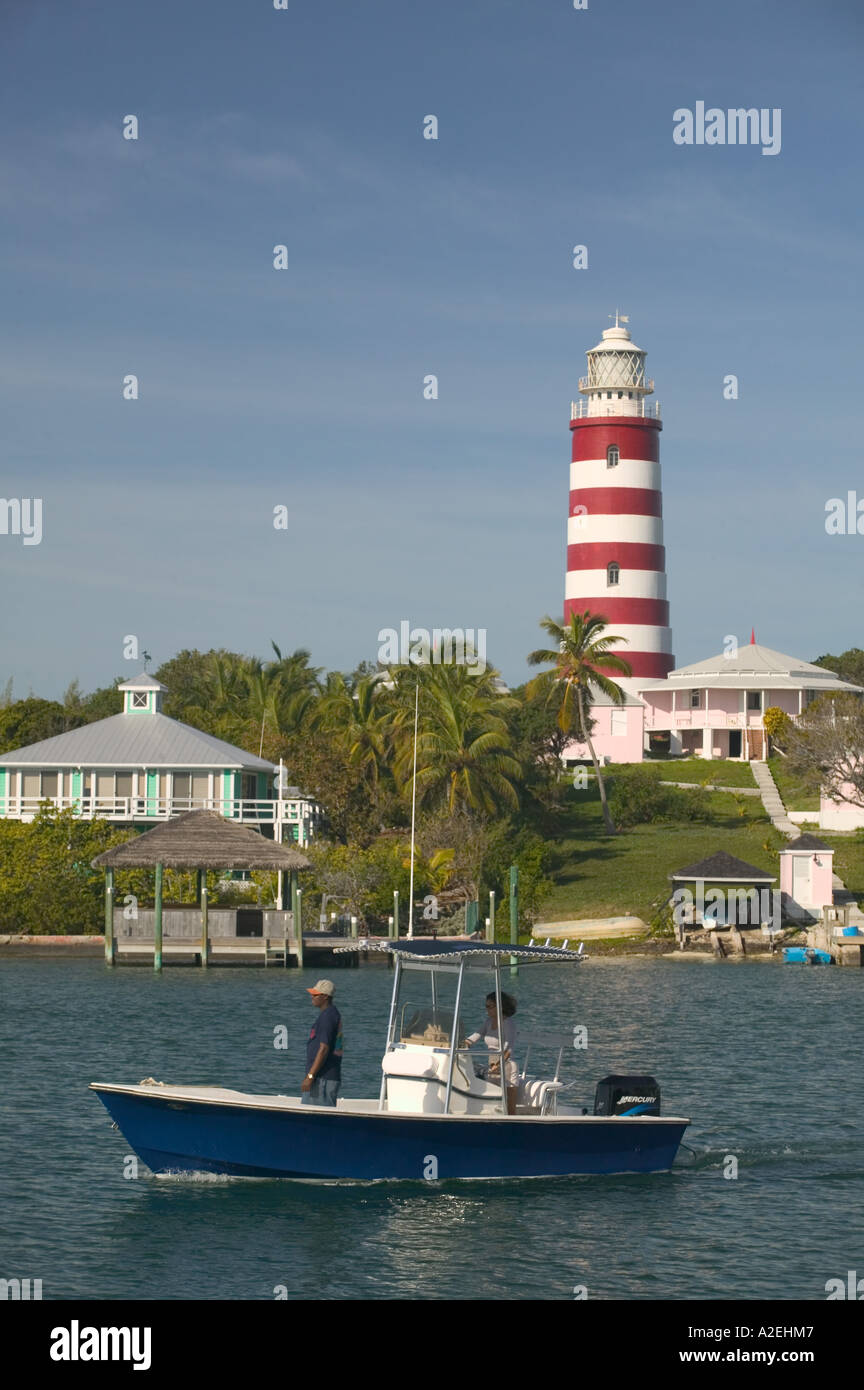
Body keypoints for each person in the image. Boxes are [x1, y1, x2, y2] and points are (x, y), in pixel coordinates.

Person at [466, 992, 519, 1114]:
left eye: (490, 1006)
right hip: (492, 1065)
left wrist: (498, 1065)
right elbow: (475, 1036)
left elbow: (508, 1048)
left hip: (507, 1065)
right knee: (492, 1105)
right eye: (486, 1006)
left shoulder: (508, 1023)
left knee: (509, 1109)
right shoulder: (488, 1021)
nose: (487, 1010)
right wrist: (460, 1044)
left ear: (500, 1006)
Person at [301, 979, 343, 1106]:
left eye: (315, 994)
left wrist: (310, 1077)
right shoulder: (329, 1015)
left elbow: (324, 1049)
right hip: (320, 1079)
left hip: (322, 1080)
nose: (311, 997)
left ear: (325, 997)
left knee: (313, 1120)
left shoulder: (328, 1017)